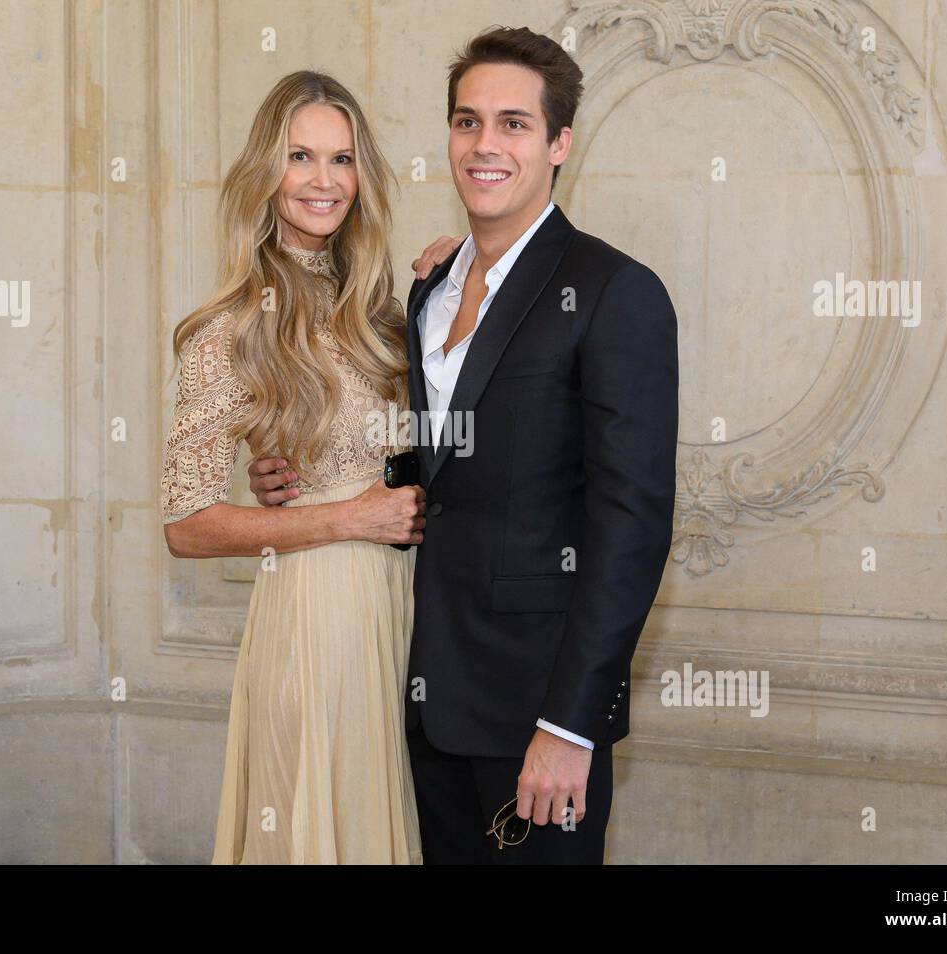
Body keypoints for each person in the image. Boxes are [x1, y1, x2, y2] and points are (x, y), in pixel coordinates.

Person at [249, 26, 679, 863]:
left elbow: (632, 528)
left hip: (536, 718)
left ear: (559, 143)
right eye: (467, 121)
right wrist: (302, 474)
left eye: (514, 124)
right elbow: (434, 465)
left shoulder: (613, 291)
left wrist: (569, 724)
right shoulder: (428, 291)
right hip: (420, 697)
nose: (486, 145)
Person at [160, 70, 426, 864]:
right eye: (299, 156)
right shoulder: (227, 326)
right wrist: (349, 516)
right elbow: (187, 526)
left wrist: (455, 281)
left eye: (341, 160)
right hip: (316, 613)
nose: (322, 180)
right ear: (265, 173)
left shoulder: (376, 308)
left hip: (394, 602)